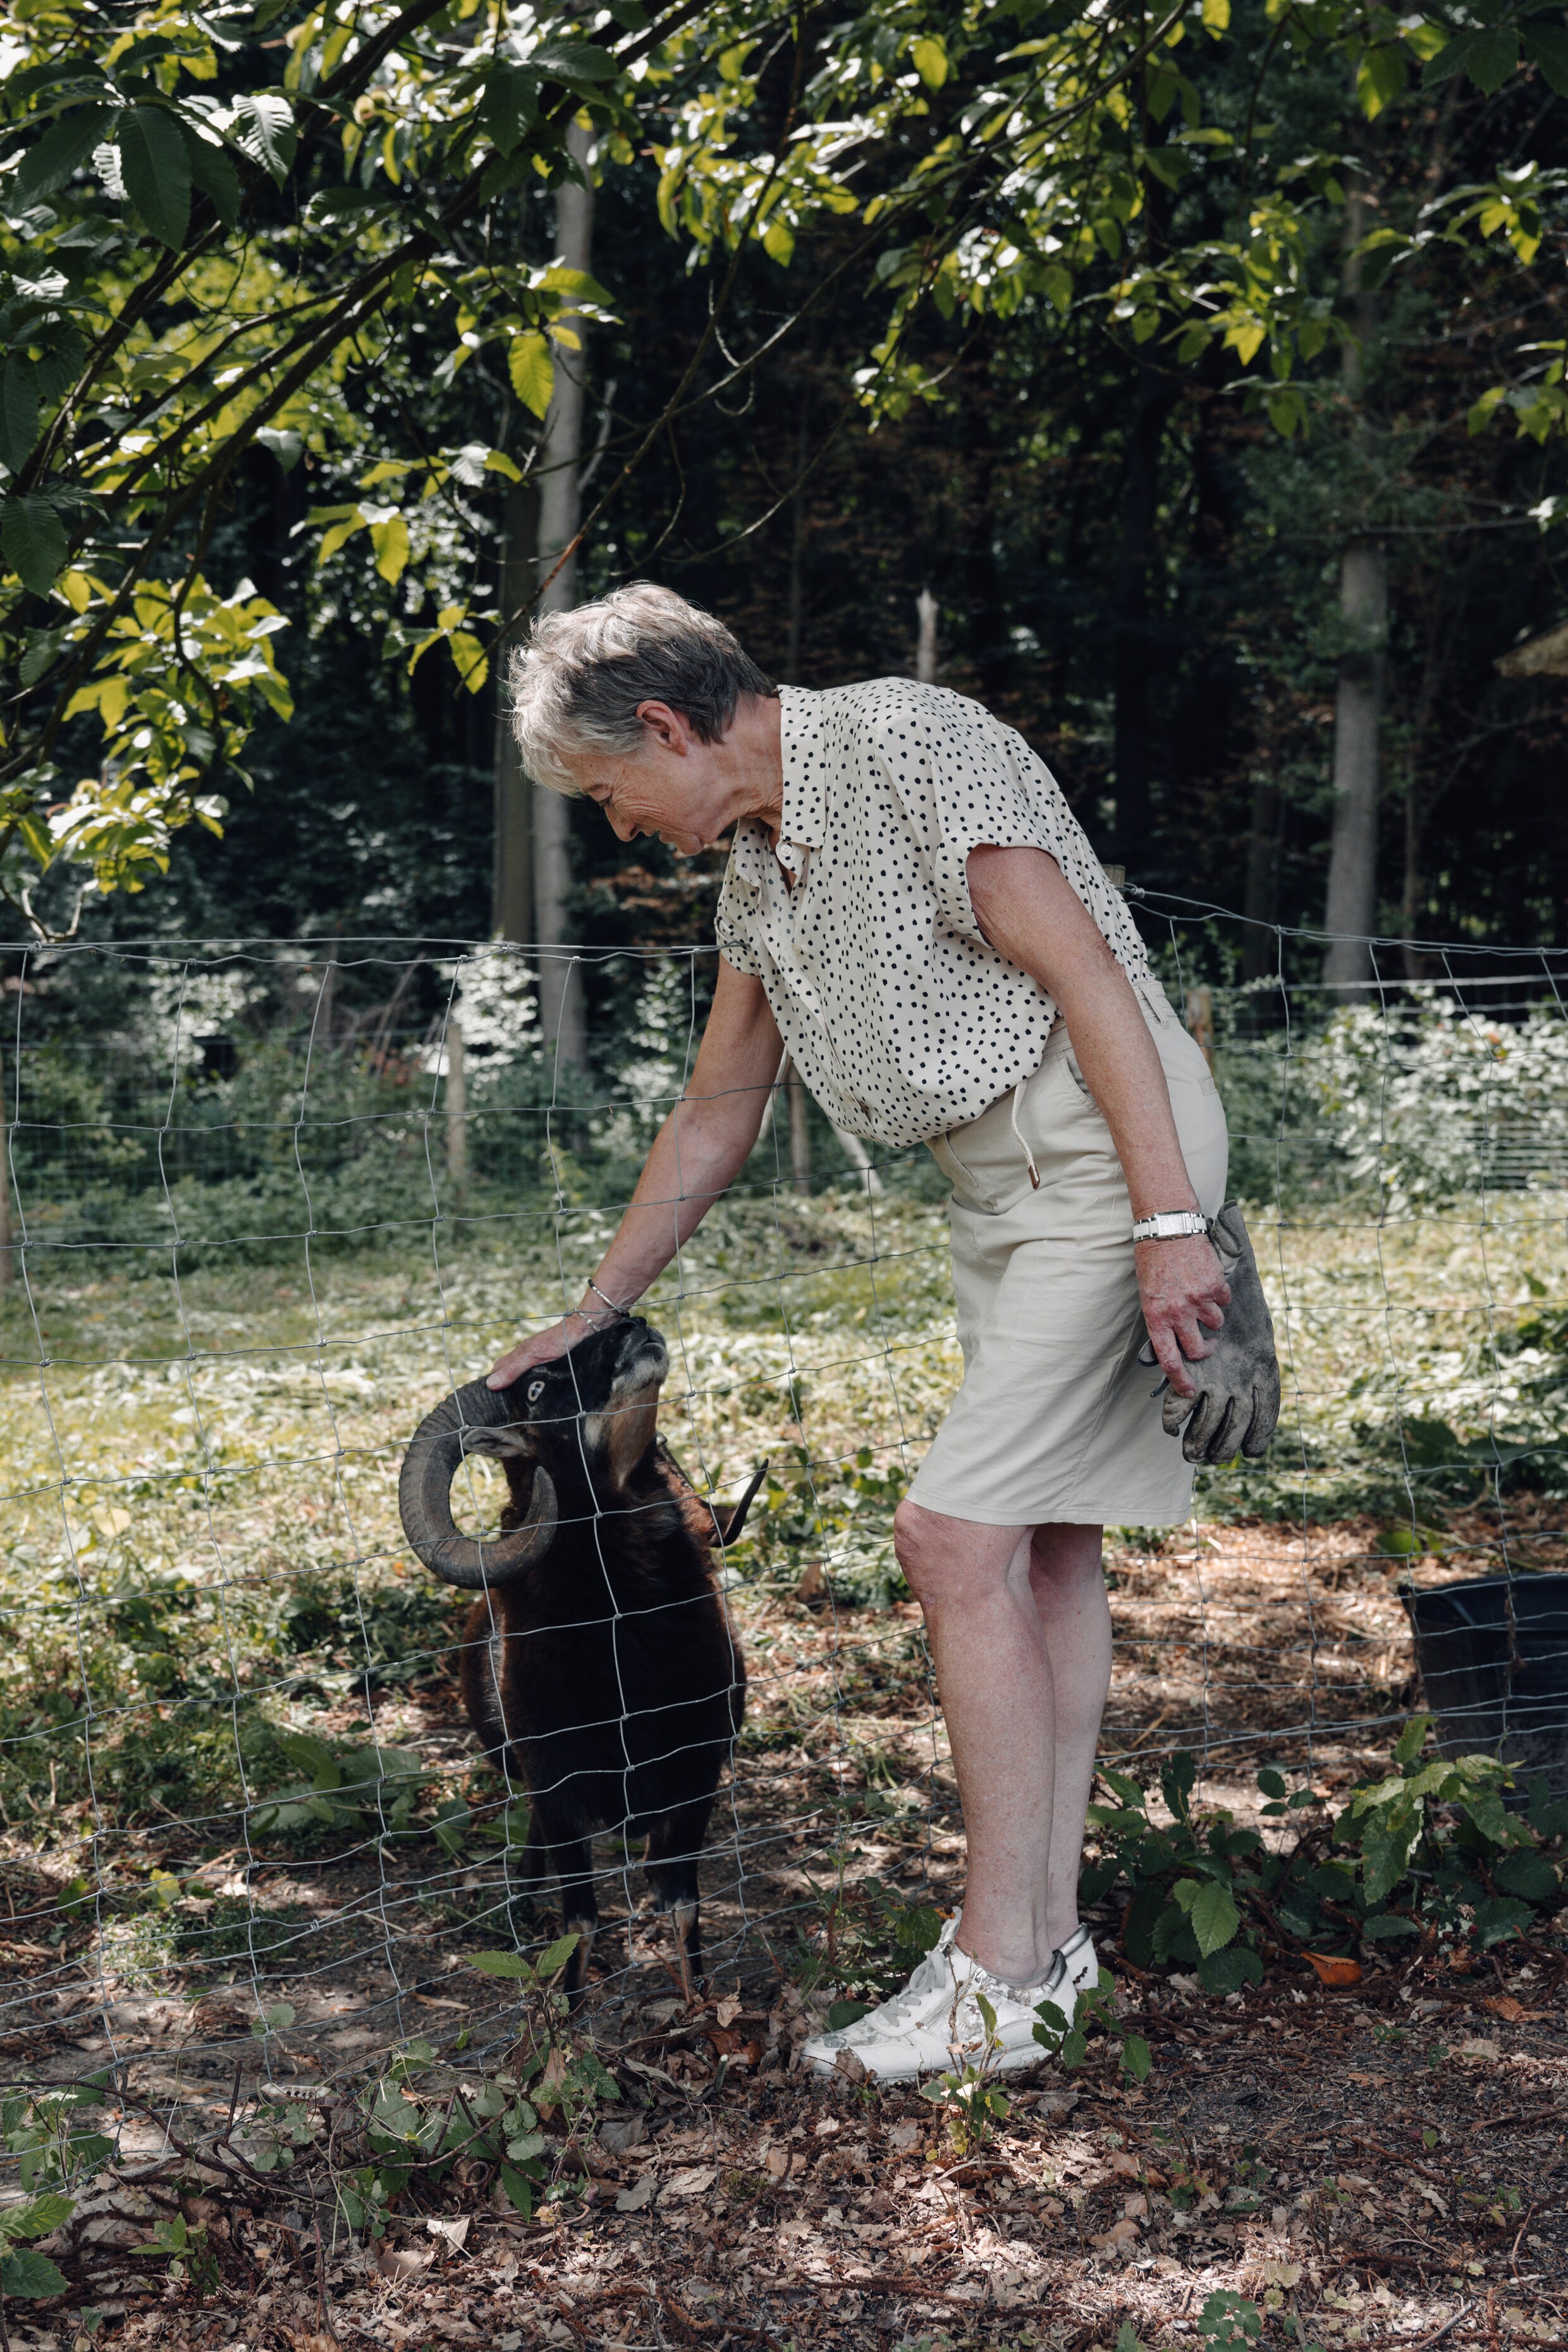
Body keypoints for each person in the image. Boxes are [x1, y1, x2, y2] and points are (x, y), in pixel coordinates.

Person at [486, 582, 1232, 2083]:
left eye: (608, 792)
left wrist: (1167, 1226)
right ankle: (1051, 1946)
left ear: (664, 726)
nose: (618, 826)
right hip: (1001, 1185)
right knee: (1043, 1544)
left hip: (1099, 1149)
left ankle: (995, 1972)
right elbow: (717, 1109)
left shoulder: (905, 740)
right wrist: (595, 1307)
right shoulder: (757, 878)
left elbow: (1088, 976)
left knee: (950, 1538)